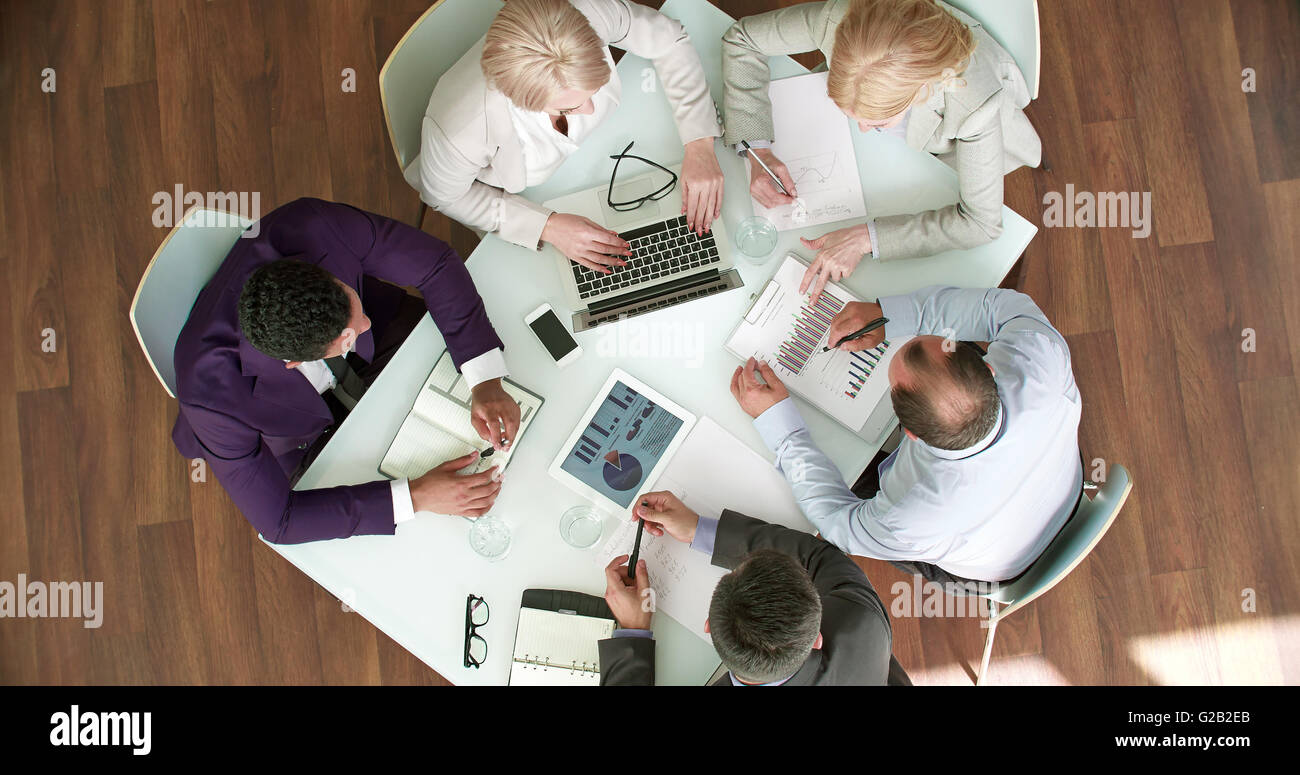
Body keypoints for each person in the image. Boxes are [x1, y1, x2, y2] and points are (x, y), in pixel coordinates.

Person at [171, 197, 521, 544]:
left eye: (350, 298)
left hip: (381, 343)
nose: (364, 323)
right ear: (295, 362)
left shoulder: (312, 225)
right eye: (350, 335)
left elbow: (435, 264)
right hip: (292, 431)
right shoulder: (209, 396)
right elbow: (280, 521)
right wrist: (418, 497)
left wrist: (485, 379)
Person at [729, 286, 1082, 585]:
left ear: (910, 433)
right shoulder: (1040, 359)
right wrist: (890, 316)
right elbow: (1000, 308)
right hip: (1065, 489)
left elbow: (840, 525)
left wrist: (781, 426)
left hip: (1004, 565)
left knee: (853, 479)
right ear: (987, 368)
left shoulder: (908, 518)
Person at [721, 0, 1041, 297]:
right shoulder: (842, 19)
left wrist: (865, 238)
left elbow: (982, 224)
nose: (862, 129)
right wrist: (757, 149)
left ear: (922, 92)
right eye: (851, 113)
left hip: (945, 152)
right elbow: (741, 39)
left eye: (877, 123)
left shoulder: (975, 105)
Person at [415, 0, 725, 273]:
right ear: (523, 101)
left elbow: (669, 39)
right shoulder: (458, 132)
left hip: (611, 148)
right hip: (532, 199)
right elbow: (444, 196)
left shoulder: (584, 13)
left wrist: (699, 143)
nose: (590, 109)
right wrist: (546, 226)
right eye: (572, 106)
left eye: (595, 87)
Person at [598, 491, 899, 686]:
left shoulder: (862, 622)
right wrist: (698, 530)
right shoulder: (861, 623)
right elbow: (819, 558)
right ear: (816, 639)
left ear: (709, 627)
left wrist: (633, 629)